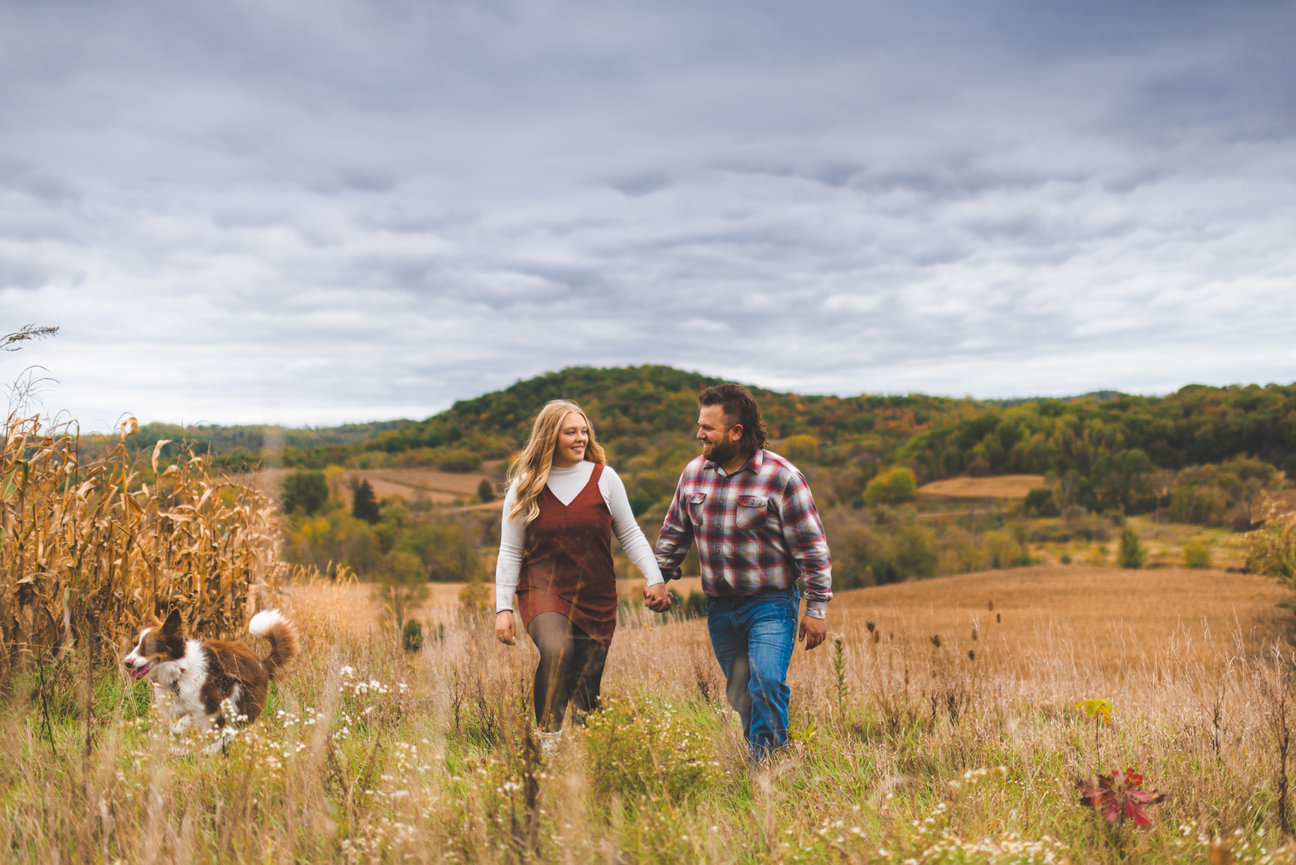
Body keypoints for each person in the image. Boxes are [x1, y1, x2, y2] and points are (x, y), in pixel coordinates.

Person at [652, 383, 832, 758]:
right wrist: (659, 578)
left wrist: (816, 610)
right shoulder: (694, 474)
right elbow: (674, 532)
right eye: (700, 424)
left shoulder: (782, 477)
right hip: (719, 607)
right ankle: (762, 754)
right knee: (739, 692)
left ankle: (768, 769)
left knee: (766, 681)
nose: (699, 433)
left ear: (736, 432)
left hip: (771, 603)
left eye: (708, 428)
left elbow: (812, 549)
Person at [495, 399, 670, 755]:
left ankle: (593, 759)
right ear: (549, 437)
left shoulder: (604, 478)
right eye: (570, 432)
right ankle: (547, 749)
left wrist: (654, 577)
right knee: (558, 650)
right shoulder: (525, 485)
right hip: (542, 589)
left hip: (595, 594)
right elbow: (510, 550)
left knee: (587, 694)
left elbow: (631, 533)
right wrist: (503, 609)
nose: (580, 438)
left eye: (584, 431)